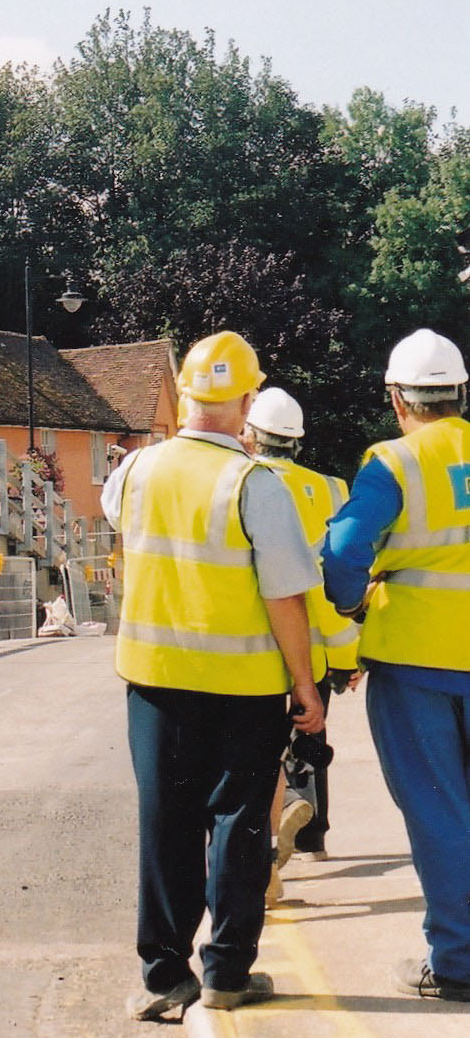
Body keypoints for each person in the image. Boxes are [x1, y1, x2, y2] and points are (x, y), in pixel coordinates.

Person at [103, 331, 325, 1019]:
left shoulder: (134, 472)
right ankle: (227, 972)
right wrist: (305, 686)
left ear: (188, 394)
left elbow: (117, 519)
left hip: (154, 681)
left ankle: (163, 975)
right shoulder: (252, 483)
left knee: (164, 822)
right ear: (247, 401)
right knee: (237, 824)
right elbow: (284, 595)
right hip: (242, 687)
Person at [321, 328, 470, 1004]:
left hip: (416, 662)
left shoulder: (392, 462)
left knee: (439, 812)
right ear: (459, 393)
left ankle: (459, 961)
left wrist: (352, 607)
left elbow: (343, 554)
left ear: (395, 397)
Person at [242, 386, 359, 900]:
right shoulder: (333, 488)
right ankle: (313, 837)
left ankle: (268, 847)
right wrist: (348, 656)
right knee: (310, 739)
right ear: (297, 440)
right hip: (316, 646)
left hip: (259, 644)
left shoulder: (245, 482)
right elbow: (338, 574)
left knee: (261, 753)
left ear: (252, 435)